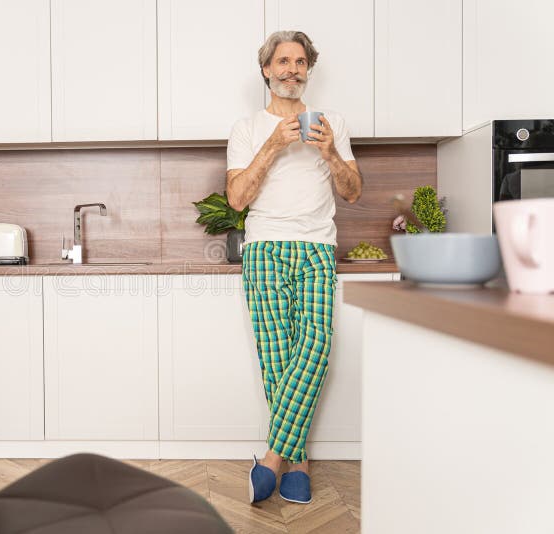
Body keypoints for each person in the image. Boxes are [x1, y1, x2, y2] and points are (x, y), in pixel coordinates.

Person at [226, 30, 363, 505]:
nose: (292, 69)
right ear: (266, 70)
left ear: (309, 70)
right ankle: (299, 462)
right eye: (282, 61)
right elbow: (237, 198)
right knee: (278, 359)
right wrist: (271, 146)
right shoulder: (246, 128)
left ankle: (271, 459)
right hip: (264, 247)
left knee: (317, 347)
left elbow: (352, 192)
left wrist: (327, 151)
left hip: (317, 248)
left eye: (300, 62)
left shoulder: (332, 124)